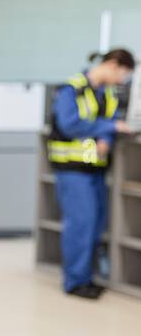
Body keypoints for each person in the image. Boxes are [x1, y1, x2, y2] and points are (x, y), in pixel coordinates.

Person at [47, 48, 135, 298]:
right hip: (72, 168)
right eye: (123, 74)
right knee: (80, 224)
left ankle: (86, 277)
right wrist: (108, 127)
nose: (122, 81)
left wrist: (106, 135)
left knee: (95, 224)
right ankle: (74, 282)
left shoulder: (106, 94)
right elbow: (69, 124)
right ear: (113, 64)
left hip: (95, 168)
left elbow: (108, 119)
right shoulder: (72, 88)